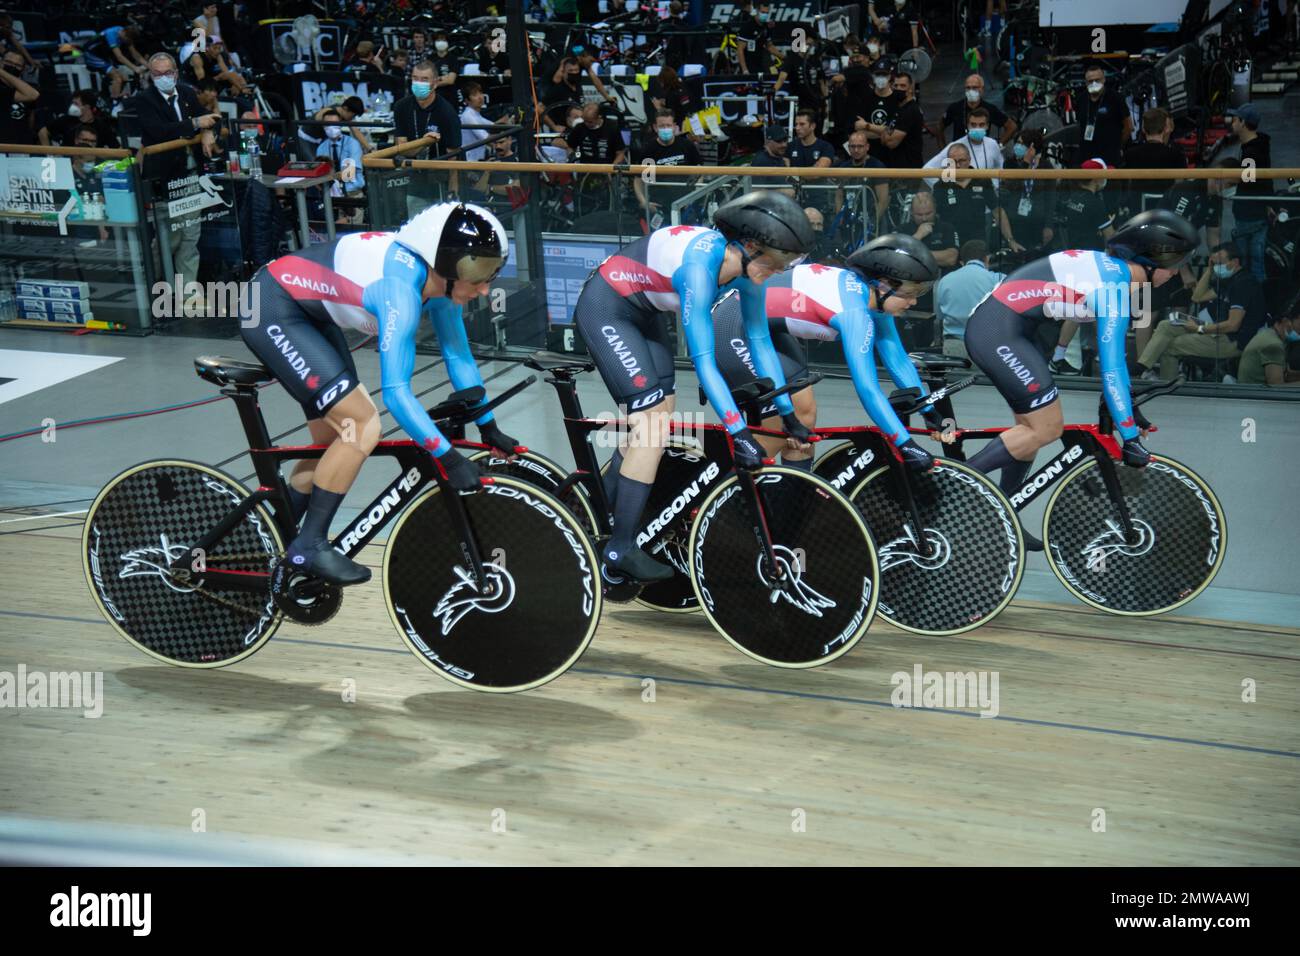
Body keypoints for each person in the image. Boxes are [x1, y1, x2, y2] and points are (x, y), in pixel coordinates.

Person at [239, 203, 519, 586]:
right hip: (272, 306)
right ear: (444, 262)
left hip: (309, 313)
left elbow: (459, 357)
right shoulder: (400, 293)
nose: (485, 287)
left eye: (491, 272)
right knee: (361, 424)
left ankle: (265, 537)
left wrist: (489, 426)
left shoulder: (439, 283)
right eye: (477, 272)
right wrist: (448, 457)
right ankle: (310, 546)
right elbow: (397, 394)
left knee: (330, 444)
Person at [571, 191, 815, 582]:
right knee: (651, 423)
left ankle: (602, 511)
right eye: (778, 262)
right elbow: (703, 364)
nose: (780, 271)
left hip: (644, 309)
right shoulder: (701, 271)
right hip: (608, 307)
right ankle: (619, 548)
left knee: (660, 416)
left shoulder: (747, 271)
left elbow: (760, 342)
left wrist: (787, 415)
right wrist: (738, 433)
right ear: (750, 246)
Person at [961, 209, 1200, 546]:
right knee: (1046, 428)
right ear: (1149, 261)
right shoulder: (1114, 287)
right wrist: (1130, 437)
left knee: (1030, 432)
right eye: (1173, 263)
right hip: (999, 330)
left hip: (1009, 327)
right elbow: (1113, 367)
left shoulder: (1115, 271)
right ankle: (954, 486)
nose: (1176, 272)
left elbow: (1114, 371)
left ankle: (1002, 518)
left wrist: (1127, 409)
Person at [710, 234, 941, 471]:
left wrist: (929, 410)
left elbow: (898, 359)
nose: (913, 302)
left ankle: (793, 497)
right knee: (779, 424)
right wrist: (906, 445)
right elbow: (868, 390)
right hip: (731, 326)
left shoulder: (872, 300)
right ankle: (732, 490)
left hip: (763, 329)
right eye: (910, 293)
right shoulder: (854, 313)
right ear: (884, 285)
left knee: (805, 417)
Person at [131, 53, 220, 309]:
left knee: (191, 234)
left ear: (176, 73)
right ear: (150, 76)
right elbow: (158, 132)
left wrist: (206, 131)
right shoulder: (144, 100)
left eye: (167, 73)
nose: (163, 78)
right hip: (165, 177)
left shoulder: (186, 92)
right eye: (157, 74)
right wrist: (195, 124)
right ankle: (154, 283)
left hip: (191, 174)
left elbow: (211, 118)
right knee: (171, 237)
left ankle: (188, 293)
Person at [1135, 242, 1270, 381]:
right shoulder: (1227, 280)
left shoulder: (1243, 283)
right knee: (1166, 325)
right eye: (1214, 263)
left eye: (1220, 263)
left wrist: (1200, 328)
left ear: (1234, 262)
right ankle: (1143, 368)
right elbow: (1197, 297)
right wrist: (1209, 270)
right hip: (1218, 331)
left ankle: (1167, 386)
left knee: (1171, 346)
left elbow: (1233, 325)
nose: (1217, 267)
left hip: (1233, 340)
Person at [394, 61, 461, 212]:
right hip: (415, 179)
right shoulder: (401, 107)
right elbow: (402, 149)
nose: (419, 83)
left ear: (435, 83)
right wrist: (424, 143)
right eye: (415, 78)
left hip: (440, 180)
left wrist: (453, 190)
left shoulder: (447, 112)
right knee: (415, 225)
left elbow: (453, 156)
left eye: (424, 79)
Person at [1225, 104, 1273, 283]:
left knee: (1246, 264)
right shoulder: (1259, 144)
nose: (1232, 122)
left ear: (1243, 123)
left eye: (1235, 119)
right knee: (1257, 262)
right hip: (1259, 211)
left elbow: (1248, 182)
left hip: (1249, 215)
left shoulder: (1251, 153)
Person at [935, 240, 1004, 359]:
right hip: (987, 344)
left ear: (962, 262)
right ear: (987, 258)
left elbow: (939, 316)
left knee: (956, 378)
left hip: (954, 345)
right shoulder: (998, 279)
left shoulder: (944, 281)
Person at [633, 109, 700, 229]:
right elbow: (639, 180)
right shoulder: (648, 150)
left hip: (685, 206)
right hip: (659, 208)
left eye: (668, 125)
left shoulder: (686, 146)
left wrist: (694, 197)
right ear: (655, 127)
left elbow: (699, 172)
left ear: (674, 126)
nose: (665, 129)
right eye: (662, 126)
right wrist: (644, 202)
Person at [930, 144, 1001, 250]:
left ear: (969, 160)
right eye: (953, 161)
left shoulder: (982, 180)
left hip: (977, 241)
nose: (958, 165)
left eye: (962, 160)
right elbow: (934, 216)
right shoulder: (941, 185)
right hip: (950, 244)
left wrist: (1010, 240)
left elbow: (998, 211)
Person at [999, 129, 1056, 255]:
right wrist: (1025, 163)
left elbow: (1051, 198)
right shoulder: (1009, 163)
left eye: (1021, 144)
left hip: (1038, 221)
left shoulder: (1046, 166)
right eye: (1017, 143)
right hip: (1015, 220)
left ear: (1032, 147)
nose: (1017, 147)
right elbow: (1011, 187)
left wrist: (1049, 225)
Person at [923, 107, 1004, 186]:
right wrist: (943, 189)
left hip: (988, 194)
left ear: (987, 126)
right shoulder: (955, 147)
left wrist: (995, 186)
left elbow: (1000, 167)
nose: (977, 128)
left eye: (981, 125)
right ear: (967, 126)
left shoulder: (992, 144)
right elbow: (926, 170)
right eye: (973, 125)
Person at [1074, 62, 1131, 167]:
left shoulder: (1115, 98)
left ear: (1104, 79)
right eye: (1090, 81)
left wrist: (1118, 146)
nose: (1094, 83)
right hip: (1086, 155)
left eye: (1097, 80)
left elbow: (1128, 126)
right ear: (1086, 83)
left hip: (1110, 156)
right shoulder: (1081, 99)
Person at [832, 129, 889, 227]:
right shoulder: (844, 167)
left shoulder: (877, 166)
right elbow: (839, 195)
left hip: (869, 220)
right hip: (848, 218)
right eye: (853, 146)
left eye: (860, 146)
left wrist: (872, 223)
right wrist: (839, 216)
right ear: (848, 148)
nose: (856, 150)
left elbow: (883, 200)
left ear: (867, 147)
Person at [943, 74, 1016, 146]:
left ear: (982, 89)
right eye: (968, 88)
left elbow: (1011, 126)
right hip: (958, 153)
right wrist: (943, 149)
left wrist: (998, 146)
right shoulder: (955, 107)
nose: (971, 91)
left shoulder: (990, 109)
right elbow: (939, 127)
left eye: (974, 88)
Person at [1237, 312, 1300, 386]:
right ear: (1285, 321)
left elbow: (1286, 375)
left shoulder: (1268, 334)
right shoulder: (1273, 345)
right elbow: (1276, 386)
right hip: (1256, 394)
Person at [908, 190, 960, 269]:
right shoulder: (901, 230)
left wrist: (913, 254)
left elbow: (951, 259)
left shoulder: (947, 228)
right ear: (911, 212)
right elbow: (896, 258)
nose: (924, 218)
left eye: (928, 213)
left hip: (941, 278)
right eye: (919, 215)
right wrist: (917, 236)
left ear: (935, 210)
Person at [0, 47, 39, 144]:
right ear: (1, 62)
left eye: (17, 65)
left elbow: (31, 120)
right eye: (8, 62)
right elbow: (33, 95)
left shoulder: (26, 88)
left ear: (23, 68)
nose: (12, 67)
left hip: (23, 146)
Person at [749, 124, 795, 197]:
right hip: (767, 207)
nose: (784, 145)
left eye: (785, 140)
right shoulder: (761, 161)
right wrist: (782, 192)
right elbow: (755, 191)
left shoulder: (779, 157)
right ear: (768, 142)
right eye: (779, 141)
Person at [459, 81, 491, 163]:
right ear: (467, 100)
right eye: (474, 95)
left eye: (480, 93)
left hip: (479, 159)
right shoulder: (468, 115)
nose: (480, 97)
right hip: (470, 162)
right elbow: (485, 138)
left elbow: (492, 125)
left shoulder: (476, 114)